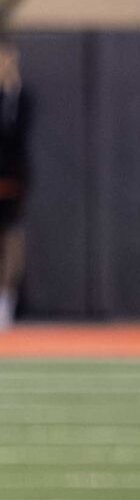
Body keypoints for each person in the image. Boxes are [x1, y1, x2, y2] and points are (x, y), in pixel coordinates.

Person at [0, 40, 28, 330]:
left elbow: (18, 134)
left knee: (13, 245)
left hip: (11, 183)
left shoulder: (20, 98)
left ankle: (5, 302)